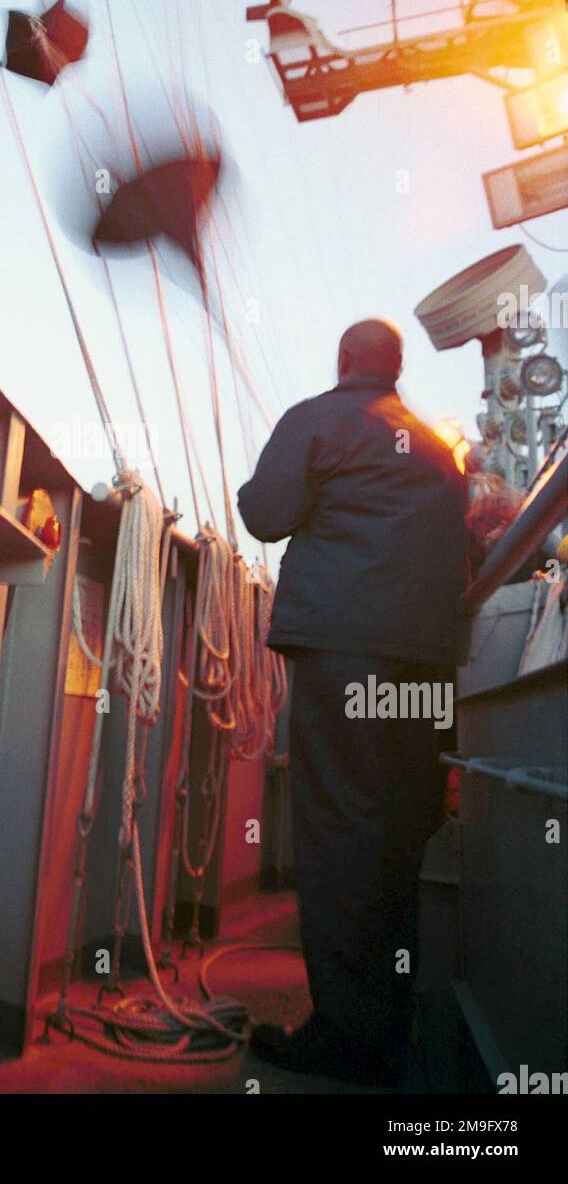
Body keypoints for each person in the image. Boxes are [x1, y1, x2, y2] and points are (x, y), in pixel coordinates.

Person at [237, 319, 468, 1087]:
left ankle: (346, 1037)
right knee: (402, 835)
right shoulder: (438, 452)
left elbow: (265, 514)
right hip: (430, 669)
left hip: (346, 658)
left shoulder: (317, 419)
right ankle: (393, 1024)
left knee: (340, 838)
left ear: (344, 363)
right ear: (397, 369)